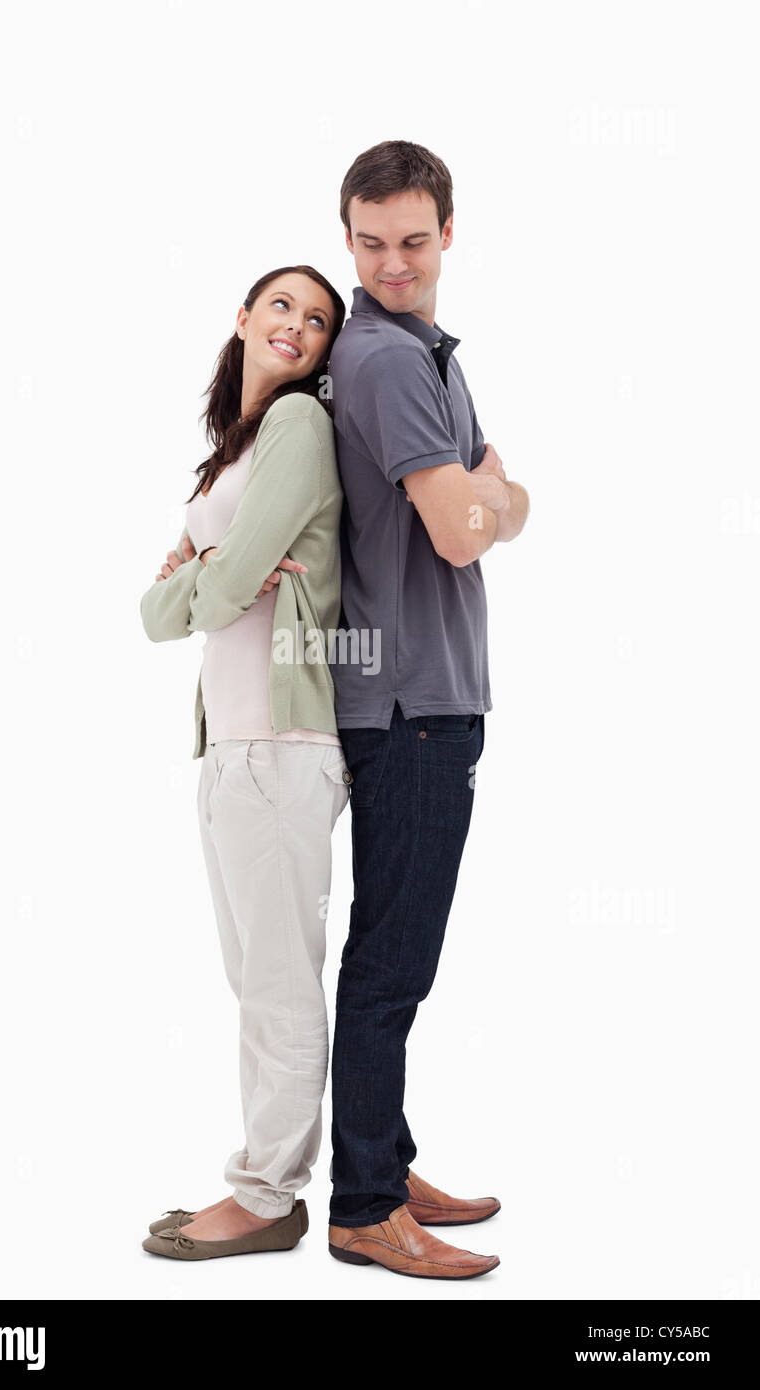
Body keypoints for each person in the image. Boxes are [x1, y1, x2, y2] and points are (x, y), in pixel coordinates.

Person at [325, 141, 530, 1280]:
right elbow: (469, 521)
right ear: (345, 234)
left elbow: (508, 498)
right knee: (391, 960)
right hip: (406, 703)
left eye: (411, 240)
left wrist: (491, 493)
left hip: (429, 697)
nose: (392, 263)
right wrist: (488, 492)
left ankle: (385, 1157)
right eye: (369, 242)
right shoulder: (388, 361)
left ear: (447, 230)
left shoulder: (426, 351)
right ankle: (360, 1203)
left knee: (397, 950)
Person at [138, 266, 351, 1263]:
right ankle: (264, 1175)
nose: (297, 327)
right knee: (248, 975)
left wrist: (209, 583)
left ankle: (267, 1193)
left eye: (316, 320)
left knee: (275, 981)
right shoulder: (231, 452)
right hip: (229, 743)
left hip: (281, 738)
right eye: (281, 306)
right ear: (242, 316)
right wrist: (214, 583)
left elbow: (204, 593)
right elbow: (154, 611)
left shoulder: (298, 429)